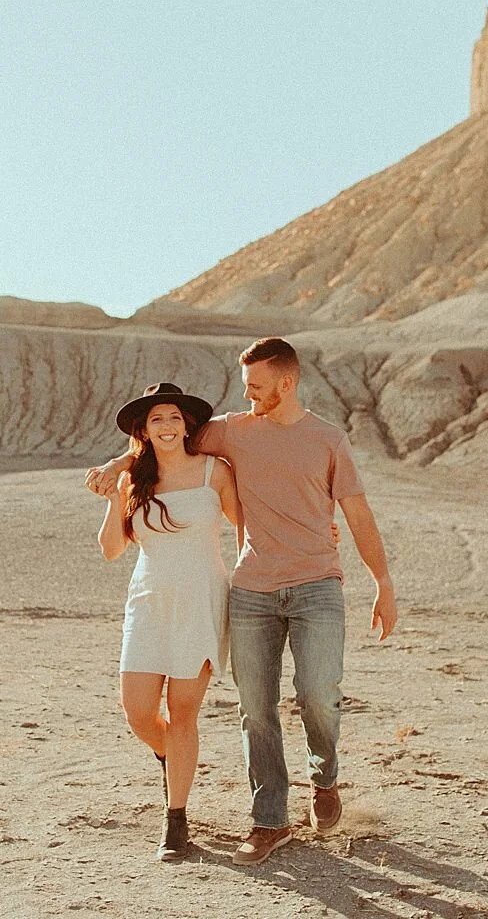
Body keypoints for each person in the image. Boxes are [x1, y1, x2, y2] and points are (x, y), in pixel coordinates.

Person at [87, 338, 397, 866]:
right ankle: (268, 819)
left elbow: (356, 513)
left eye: (256, 386)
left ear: (286, 383)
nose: (247, 395)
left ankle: (322, 778)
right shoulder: (232, 430)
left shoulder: (327, 439)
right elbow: (162, 439)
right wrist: (118, 465)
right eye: (245, 385)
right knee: (254, 709)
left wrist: (382, 582)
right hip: (249, 590)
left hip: (314, 583)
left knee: (318, 694)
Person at [97, 382, 242, 862]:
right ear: (143, 430)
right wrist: (114, 496)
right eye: (156, 419)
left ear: (186, 425)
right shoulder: (133, 481)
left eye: (174, 417)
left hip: (201, 602)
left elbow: (248, 528)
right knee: (138, 712)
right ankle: (170, 757)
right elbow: (111, 550)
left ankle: (176, 821)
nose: (166, 426)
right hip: (148, 603)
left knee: (183, 713)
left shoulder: (215, 472)